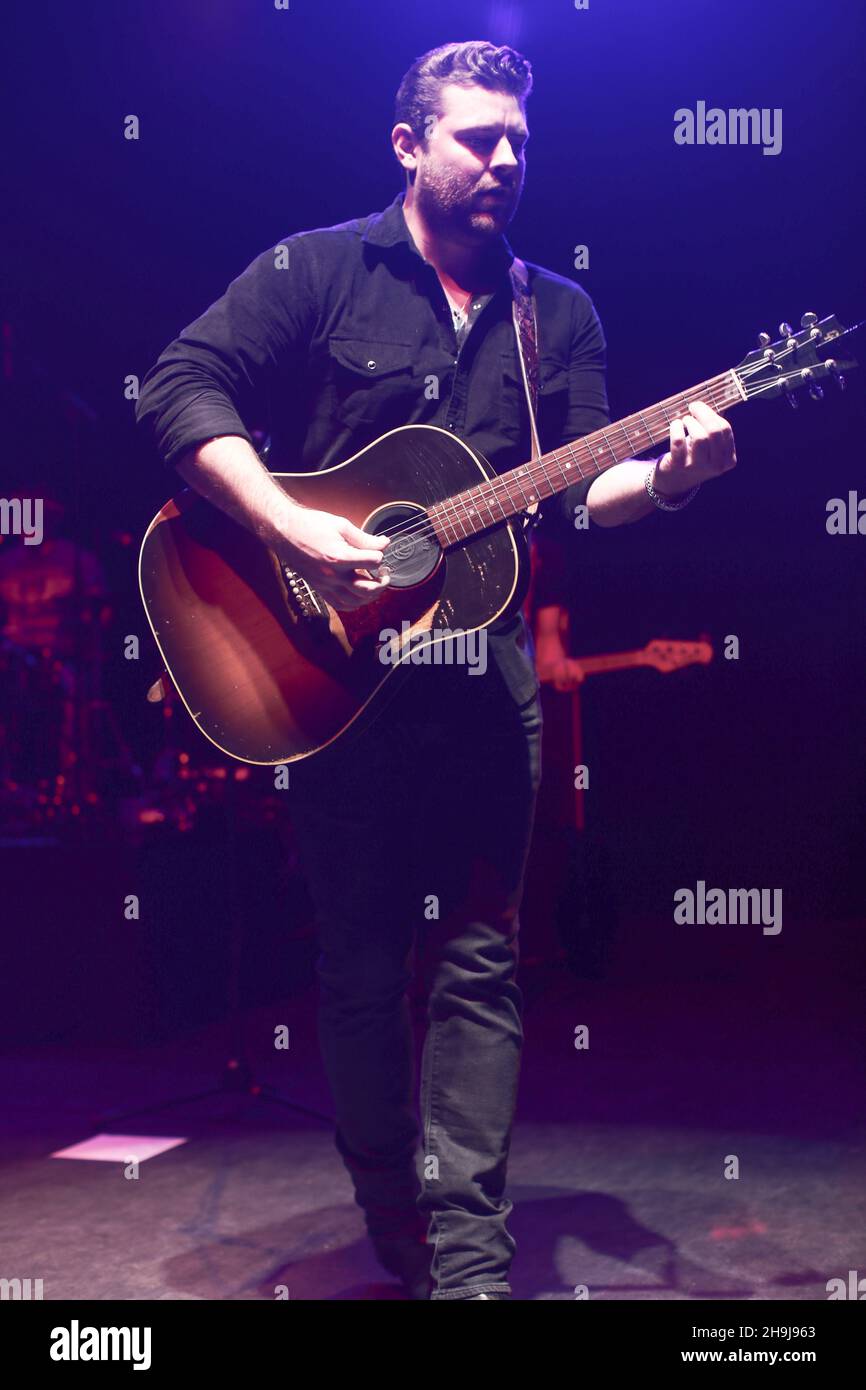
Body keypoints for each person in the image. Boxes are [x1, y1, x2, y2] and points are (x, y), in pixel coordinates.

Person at [135, 40, 737, 1300]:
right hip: (327, 671)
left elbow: (583, 488)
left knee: (477, 960)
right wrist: (287, 525)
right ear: (408, 145)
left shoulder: (555, 314)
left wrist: (671, 480)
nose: (504, 159)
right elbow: (179, 387)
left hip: (483, 682)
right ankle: (392, 1218)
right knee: (360, 968)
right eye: (476, 137)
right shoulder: (318, 270)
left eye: (519, 140)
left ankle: (468, 1258)